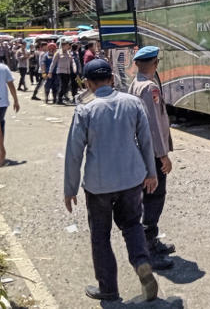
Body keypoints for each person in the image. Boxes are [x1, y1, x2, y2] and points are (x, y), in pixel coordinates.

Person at [63, 59, 159, 301]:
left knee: (100, 235)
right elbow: (146, 141)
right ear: (112, 79)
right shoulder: (133, 103)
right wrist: (151, 173)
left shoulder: (85, 109)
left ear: (88, 83)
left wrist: (70, 188)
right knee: (132, 225)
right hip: (132, 179)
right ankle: (142, 263)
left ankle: (108, 289)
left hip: (99, 186)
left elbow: (74, 154)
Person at [127, 46, 175, 270]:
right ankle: (148, 249)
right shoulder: (149, 87)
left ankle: (151, 241)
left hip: (141, 151)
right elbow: (153, 125)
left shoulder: (135, 84)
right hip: (151, 154)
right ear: (155, 64)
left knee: (149, 197)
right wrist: (162, 155)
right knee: (154, 197)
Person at [0, 59, 20, 166]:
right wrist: (15, 100)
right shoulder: (4, 68)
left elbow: (11, 85)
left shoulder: (4, 68)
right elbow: (11, 85)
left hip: (2, 102)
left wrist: (16, 101)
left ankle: (2, 152)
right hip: (3, 103)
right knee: (1, 124)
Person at [51, 40, 76, 105]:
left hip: (67, 72)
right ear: (63, 46)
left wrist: (74, 68)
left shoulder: (68, 53)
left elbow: (72, 61)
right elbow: (53, 63)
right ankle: (59, 99)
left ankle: (62, 98)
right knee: (62, 85)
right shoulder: (58, 53)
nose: (68, 46)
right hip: (60, 72)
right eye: (67, 45)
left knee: (66, 86)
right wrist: (50, 72)